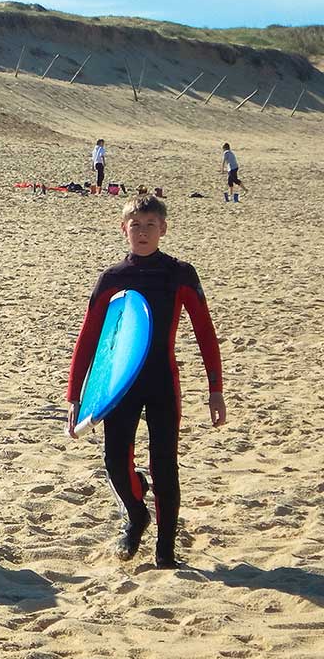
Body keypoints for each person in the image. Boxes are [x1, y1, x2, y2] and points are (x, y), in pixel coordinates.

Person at [66, 194, 225, 569]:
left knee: (165, 465)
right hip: (120, 385)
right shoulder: (113, 279)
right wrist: (77, 395)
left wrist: (215, 389)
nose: (142, 232)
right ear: (124, 229)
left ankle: (165, 553)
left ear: (163, 229)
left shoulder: (179, 273)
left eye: (150, 225)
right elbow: (89, 337)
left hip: (161, 381)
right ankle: (137, 515)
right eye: (135, 225)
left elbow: (204, 331)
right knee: (115, 464)